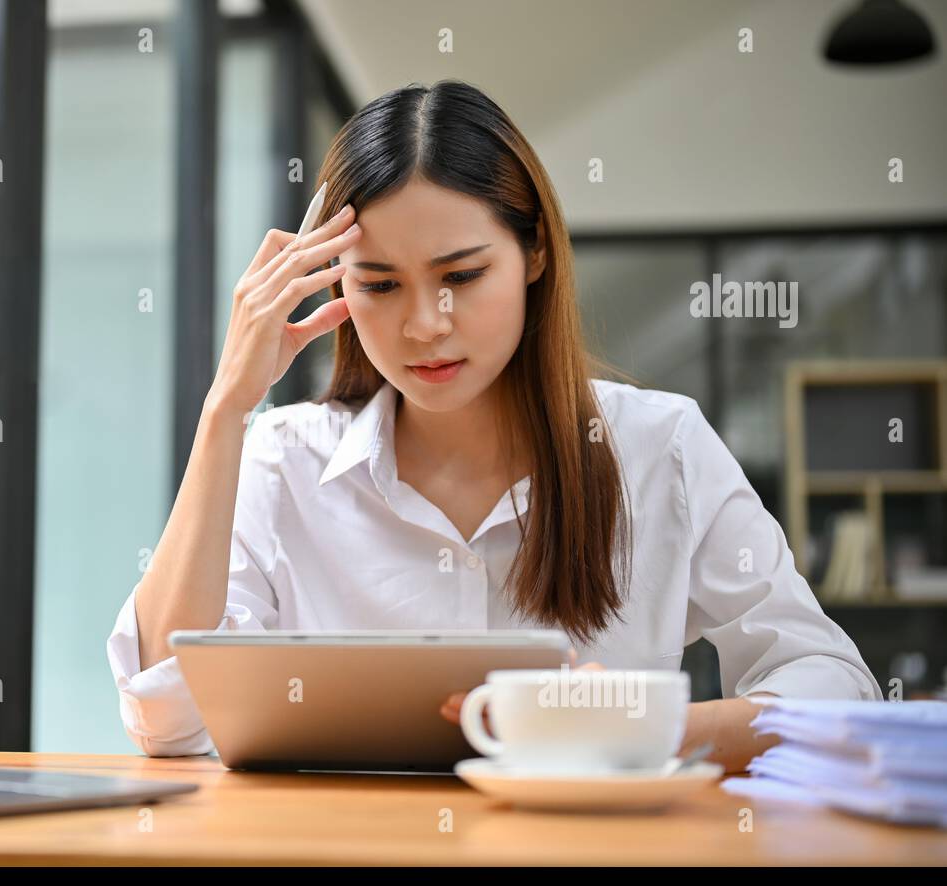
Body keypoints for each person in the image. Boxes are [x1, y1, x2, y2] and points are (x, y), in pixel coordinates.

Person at [105, 79, 881, 770]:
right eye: (379, 285)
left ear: (535, 251)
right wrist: (226, 407)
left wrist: (644, 726)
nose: (424, 325)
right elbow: (166, 723)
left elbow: (837, 691)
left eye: (462, 275)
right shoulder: (281, 460)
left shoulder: (661, 448)